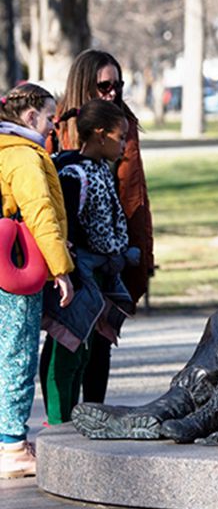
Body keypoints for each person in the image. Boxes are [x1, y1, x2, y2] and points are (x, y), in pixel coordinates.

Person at [50, 49, 154, 404]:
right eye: (104, 86)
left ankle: (95, 410)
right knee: (66, 336)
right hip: (74, 254)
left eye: (117, 86)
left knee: (103, 336)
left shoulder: (124, 126)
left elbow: (134, 196)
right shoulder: (59, 126)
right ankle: (60, 419)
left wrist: (134, 253)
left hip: (113, 250)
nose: (112, 93)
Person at [40, 100, 133, 426]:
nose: (124, 145)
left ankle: (74, 421)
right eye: (120, 137)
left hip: (99, 275)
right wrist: (71, 267)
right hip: (77, 276)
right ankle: (58, 422)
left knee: (84, 351)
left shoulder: (101, 171)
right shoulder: (73, 174)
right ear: (100, 134)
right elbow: (64, 226)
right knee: (67, 348)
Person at [0, 83, 74, 479]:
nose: (52, 127)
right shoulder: (24, 157)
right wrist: (61, 269)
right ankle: (13, 448)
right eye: (49, 118)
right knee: (17, 354)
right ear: (30, 117)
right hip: (15, 268)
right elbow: (40, 214)